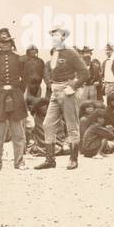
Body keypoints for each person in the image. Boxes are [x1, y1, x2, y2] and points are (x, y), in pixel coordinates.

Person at [36, 26, 89, 170]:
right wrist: (53, 85)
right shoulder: (54, 53)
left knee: (72, 126)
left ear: (64, 37)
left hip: (68, 91)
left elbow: (85, 73)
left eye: (57, 36)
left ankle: (73, 159)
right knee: (47, 124)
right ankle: (50, 160)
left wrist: (73, 87)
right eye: (52, 36)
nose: (54, 38)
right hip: (56, 91)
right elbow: (53, 73)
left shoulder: (71, 53)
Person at [0, 27, 29, 171]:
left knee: (18, 133)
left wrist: (17, 90)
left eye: (8, 41)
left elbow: (25, 76)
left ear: (11, 42)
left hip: (15, 94)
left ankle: (19, 162)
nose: (5, 44)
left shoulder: (18, 57)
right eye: (2, 42)